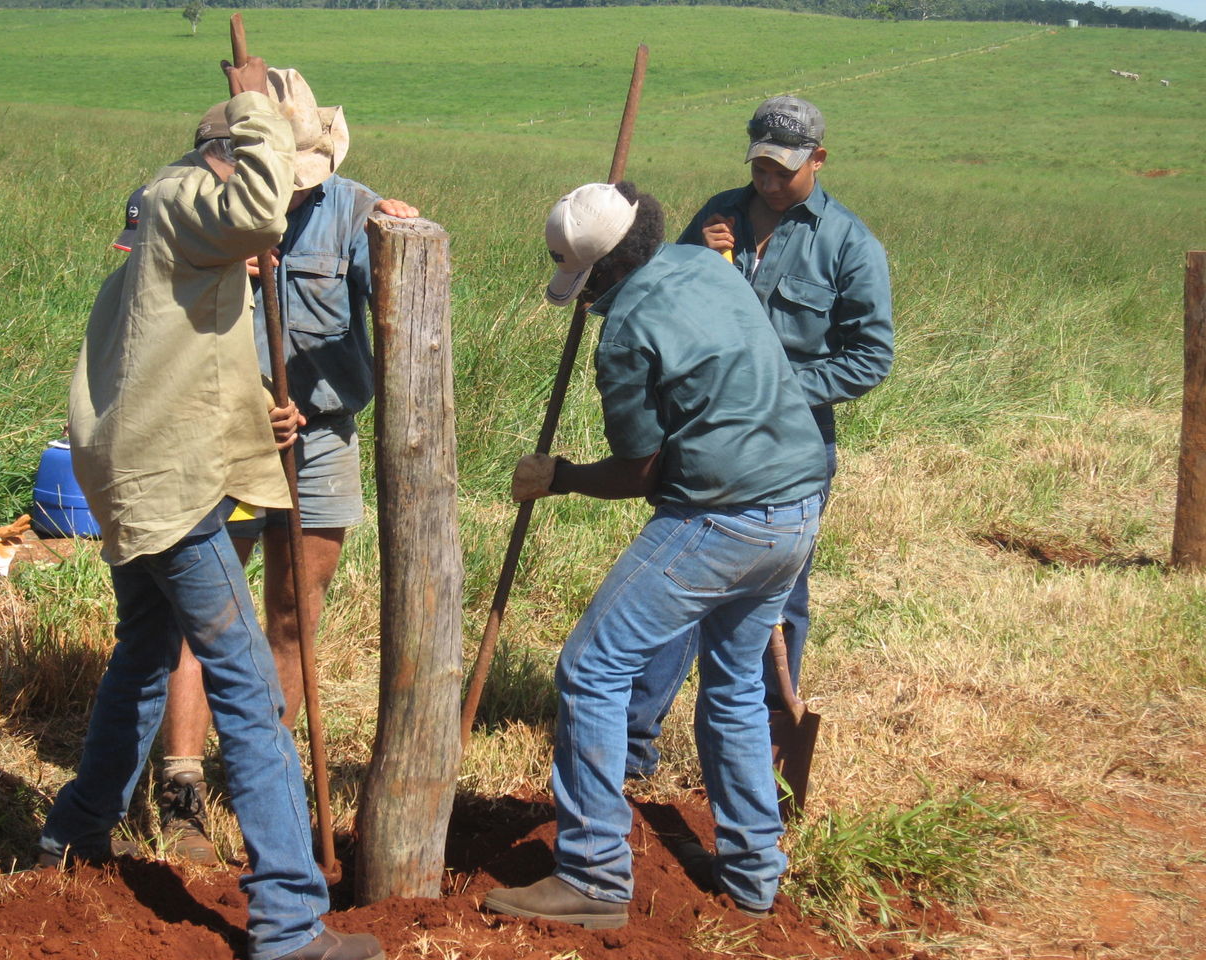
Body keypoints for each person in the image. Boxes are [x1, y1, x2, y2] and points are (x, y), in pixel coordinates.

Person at [36, 55, 383, 960]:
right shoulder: (187, 195)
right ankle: (289, 919)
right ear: (229, 155)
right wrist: (259, 108)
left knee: (145, 652)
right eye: (269, 164)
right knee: (245, 679)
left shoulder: (178, 236)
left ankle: (75, 827)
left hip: (144, 472)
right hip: (170, 488)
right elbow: (259, 209)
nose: (284, 208)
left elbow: (182, 358)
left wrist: (261, 407)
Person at [482, 182, 826, 929]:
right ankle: (752, 873)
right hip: (799, 508)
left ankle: (595, 875)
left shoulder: (624, 331)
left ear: (601, 274)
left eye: (585, 284)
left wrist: (560, 477)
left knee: (592, 667)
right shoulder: (707, 266)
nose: (586, 300)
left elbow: (642, 473)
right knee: (733, 684)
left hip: (721, 518)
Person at [156, 68, 419, 863]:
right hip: (220, 439)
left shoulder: (355, 210)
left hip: (323, 441)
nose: (295, 195)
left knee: (292, 615)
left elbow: (405, 307)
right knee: (205, 614)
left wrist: (406, 239)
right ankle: (180, 783)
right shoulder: (195, 206)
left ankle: (259, 774)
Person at [625, 96, 893, 780]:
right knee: (680, 578)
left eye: (783, 170)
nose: (768, 182)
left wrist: (773, 385)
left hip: (794, 446)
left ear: (818, 160)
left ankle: (768, 753)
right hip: (705, 436)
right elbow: (665, 299)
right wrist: (695, 256)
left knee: (782, 597)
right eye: (760, 167)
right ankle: (634, 742)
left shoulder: (849, 245)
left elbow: (870, 358)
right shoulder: (721, 213)